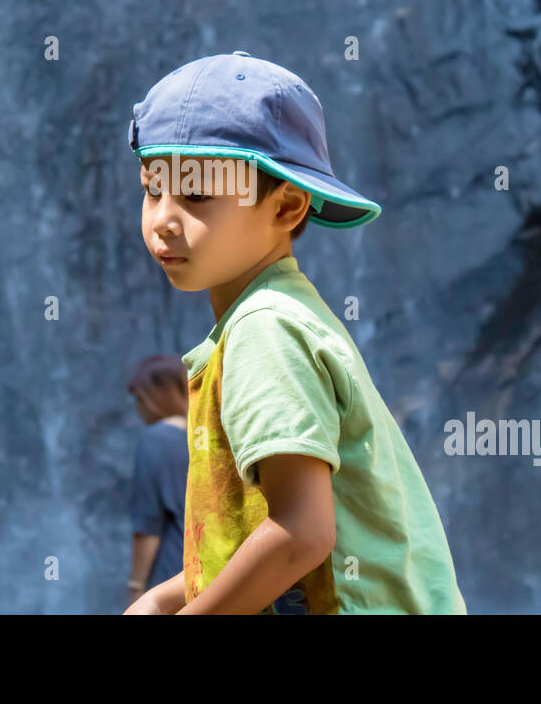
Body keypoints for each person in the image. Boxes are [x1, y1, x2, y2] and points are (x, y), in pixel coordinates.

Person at [123, 51, 466, 614]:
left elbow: (303, 533)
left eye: (196, 195)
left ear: (285, 207)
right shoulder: (280, 314)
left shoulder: (266, 331)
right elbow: (267, 544)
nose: (163, 218)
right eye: (152, 188)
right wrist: (164, 600)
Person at [125, 354, 189, 610]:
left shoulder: (155, 439)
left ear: (158, 396)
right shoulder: (207, 434)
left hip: (169, 570)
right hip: (207, 568)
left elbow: (148, 526)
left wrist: (136, 586)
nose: (139, 409)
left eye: (140, 399)